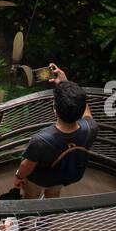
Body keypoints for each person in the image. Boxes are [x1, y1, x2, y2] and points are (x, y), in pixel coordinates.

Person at [13, 70, 96, 199]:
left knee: (30, 197)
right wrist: (66, 84)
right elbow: (86, 112)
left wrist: (19, 177)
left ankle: (28, 217)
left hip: (39, 179)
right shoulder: (91, 128)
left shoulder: (41, 140)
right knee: (53, 193)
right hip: (63, 175)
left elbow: (26, 166)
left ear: (55, 110)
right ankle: (47, 216)